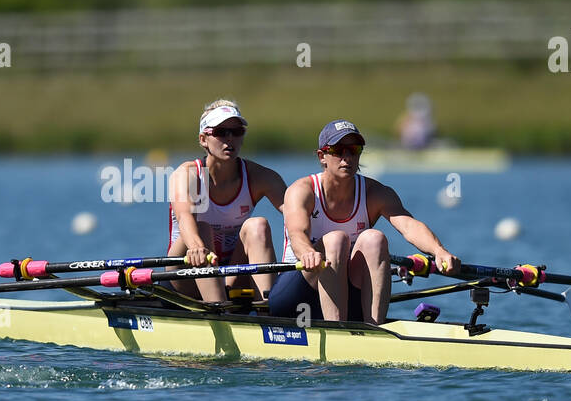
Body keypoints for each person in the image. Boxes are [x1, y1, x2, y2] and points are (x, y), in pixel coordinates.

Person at [269, 118, 459, 324]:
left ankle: (373, 328)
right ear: (322, 156)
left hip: (344, 294)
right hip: (296, 294)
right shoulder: (302, 190)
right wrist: (307, 253)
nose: (347, 157)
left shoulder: (375, 193)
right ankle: (337, 329)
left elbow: (408, 225)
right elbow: (297, 234)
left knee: (374, 239)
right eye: (339, 150)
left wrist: (439, 251)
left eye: (353, 149)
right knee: (336, 240)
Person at [167, 100, 287, 303]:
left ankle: (266, 311)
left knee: (258, 225)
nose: (229, 139)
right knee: (202, 228)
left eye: (237, 131)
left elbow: (299, 216)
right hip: (185, 271)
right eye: (221, 132)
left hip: (231, 271)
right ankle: (219, 309)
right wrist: (196, 247)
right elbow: (184, 217)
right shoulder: (187, 175)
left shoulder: (261, 176)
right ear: (204, 139)